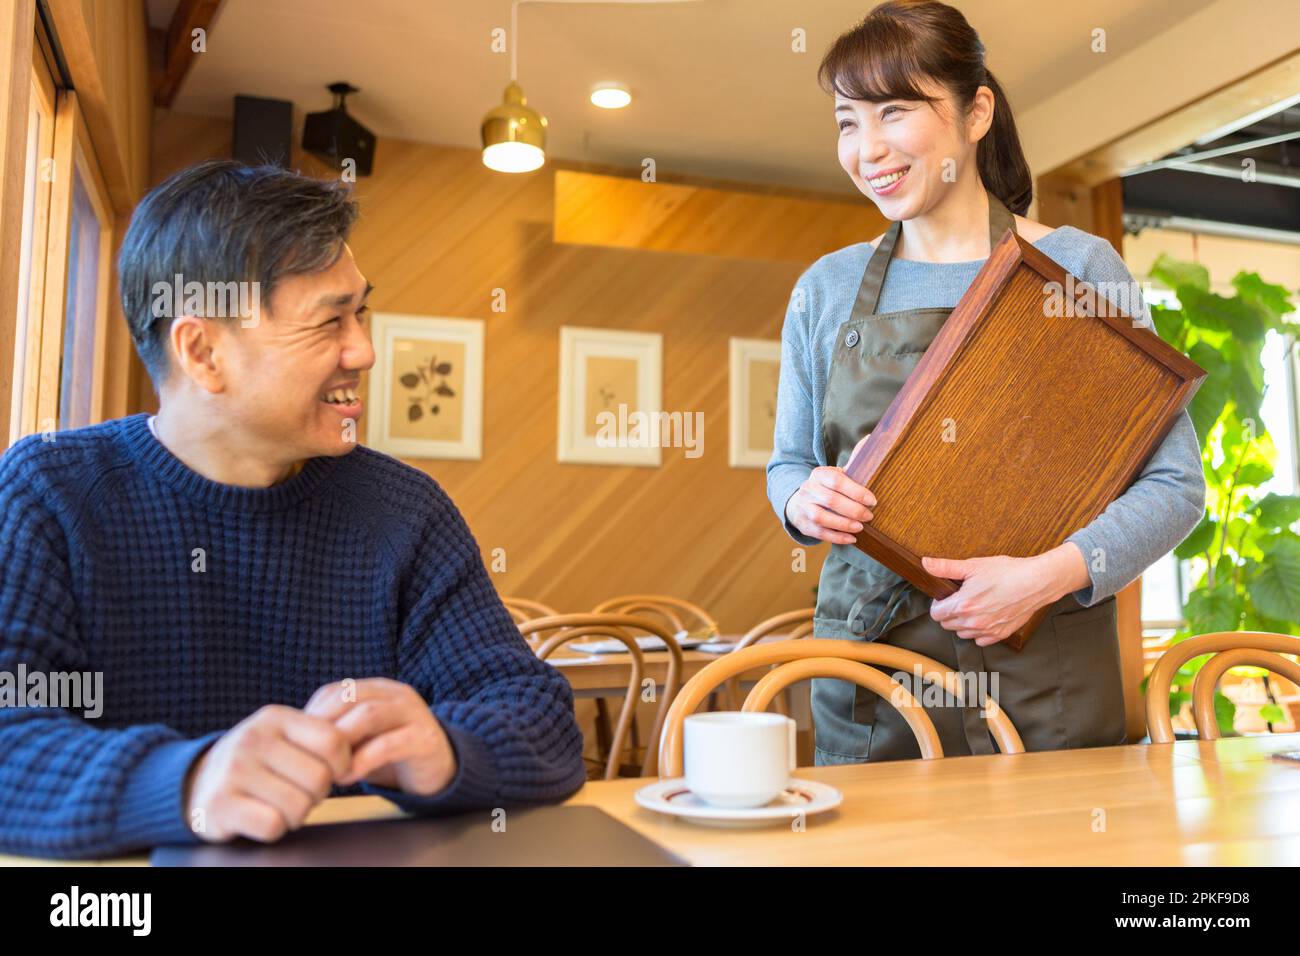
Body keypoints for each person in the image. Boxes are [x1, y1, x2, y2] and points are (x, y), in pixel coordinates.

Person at [0, 160, 586, 859]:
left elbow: (540, 716)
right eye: (328, 322)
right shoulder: (52, 491)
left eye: (360, 312)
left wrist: (450, 752)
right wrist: (186, 783)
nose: (364, 350)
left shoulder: (402, 514)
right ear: (203, 351)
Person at [767, 1, 1206, 764]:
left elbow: (1175, 487)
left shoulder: (1077, 268)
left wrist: (1044, 577)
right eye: (847, 120)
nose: (867, 148)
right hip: (876, 673)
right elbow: (788, 469)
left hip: (1050, 676)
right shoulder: (826, 288)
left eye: (894, 111)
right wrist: (804, 500)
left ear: (976, 113)